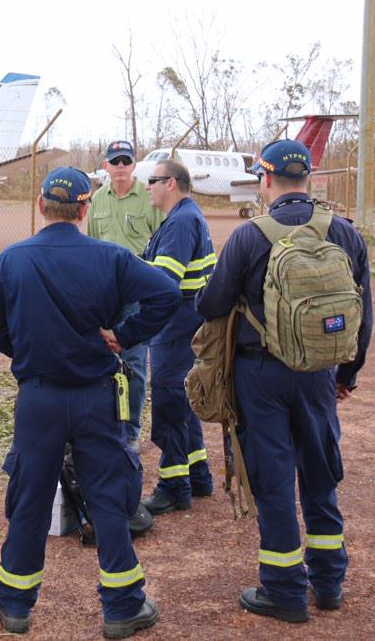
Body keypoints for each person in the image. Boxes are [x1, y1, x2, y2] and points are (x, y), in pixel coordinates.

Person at [0, 167, 182, 638]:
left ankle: (13, 606)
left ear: (42, 207)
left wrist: (31, 348)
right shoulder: (110, 257)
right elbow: (167, 294)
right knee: (108, 498)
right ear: (86, 209)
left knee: (29, 500)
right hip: (96, 397)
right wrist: (124, 335)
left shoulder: (13, 259)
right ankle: (123, 607)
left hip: (39, 399)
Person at [196, 139, 372, 623]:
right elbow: (364, 317)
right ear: (309, 180)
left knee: (274, 482)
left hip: (262, 376)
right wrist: (346, 376)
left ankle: (284, 591)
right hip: (319, 375)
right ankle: (330, 581)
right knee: (320, 475)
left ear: (266, 180)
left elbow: (210, 306)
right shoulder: (345, 234)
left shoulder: (250, 237)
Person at [139, 159, 216, 515]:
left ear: (170, 183)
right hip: (188, 324)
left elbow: (163, 283)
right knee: (185, 403)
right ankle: (198, 474)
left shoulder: (181, 222)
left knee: (169, 405)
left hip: (176, 326)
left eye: (152, 180)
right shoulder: (186, 217)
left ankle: (173, 486)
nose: (147, 187)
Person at [87, 140, 165, 448]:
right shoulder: (96, 201)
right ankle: (106, 424)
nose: (120, 167)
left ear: (134, 165)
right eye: (114, 162)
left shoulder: (147, 199)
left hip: (136, 294)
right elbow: (92, 245)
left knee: (133, 361)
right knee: (102, 357)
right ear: (105, 166)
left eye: (125, 161)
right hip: (106, 295)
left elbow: (160, 242)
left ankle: (130, 431)